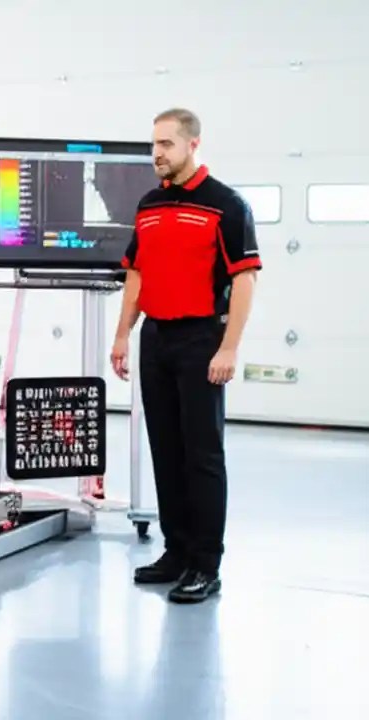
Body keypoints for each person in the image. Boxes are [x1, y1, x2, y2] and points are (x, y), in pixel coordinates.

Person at [110, 107, 262, 604]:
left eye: (166, 145)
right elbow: (137, 273)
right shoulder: (149, 205)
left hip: (202, 340)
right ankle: (176, 552)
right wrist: (121, 336)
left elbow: (244, 279)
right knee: (166, 451)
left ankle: (205, 564)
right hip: (156, 339)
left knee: (202, 455)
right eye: (153, 144)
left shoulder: (226, 205)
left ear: (193, 145)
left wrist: (229, 347)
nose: (157, 153)